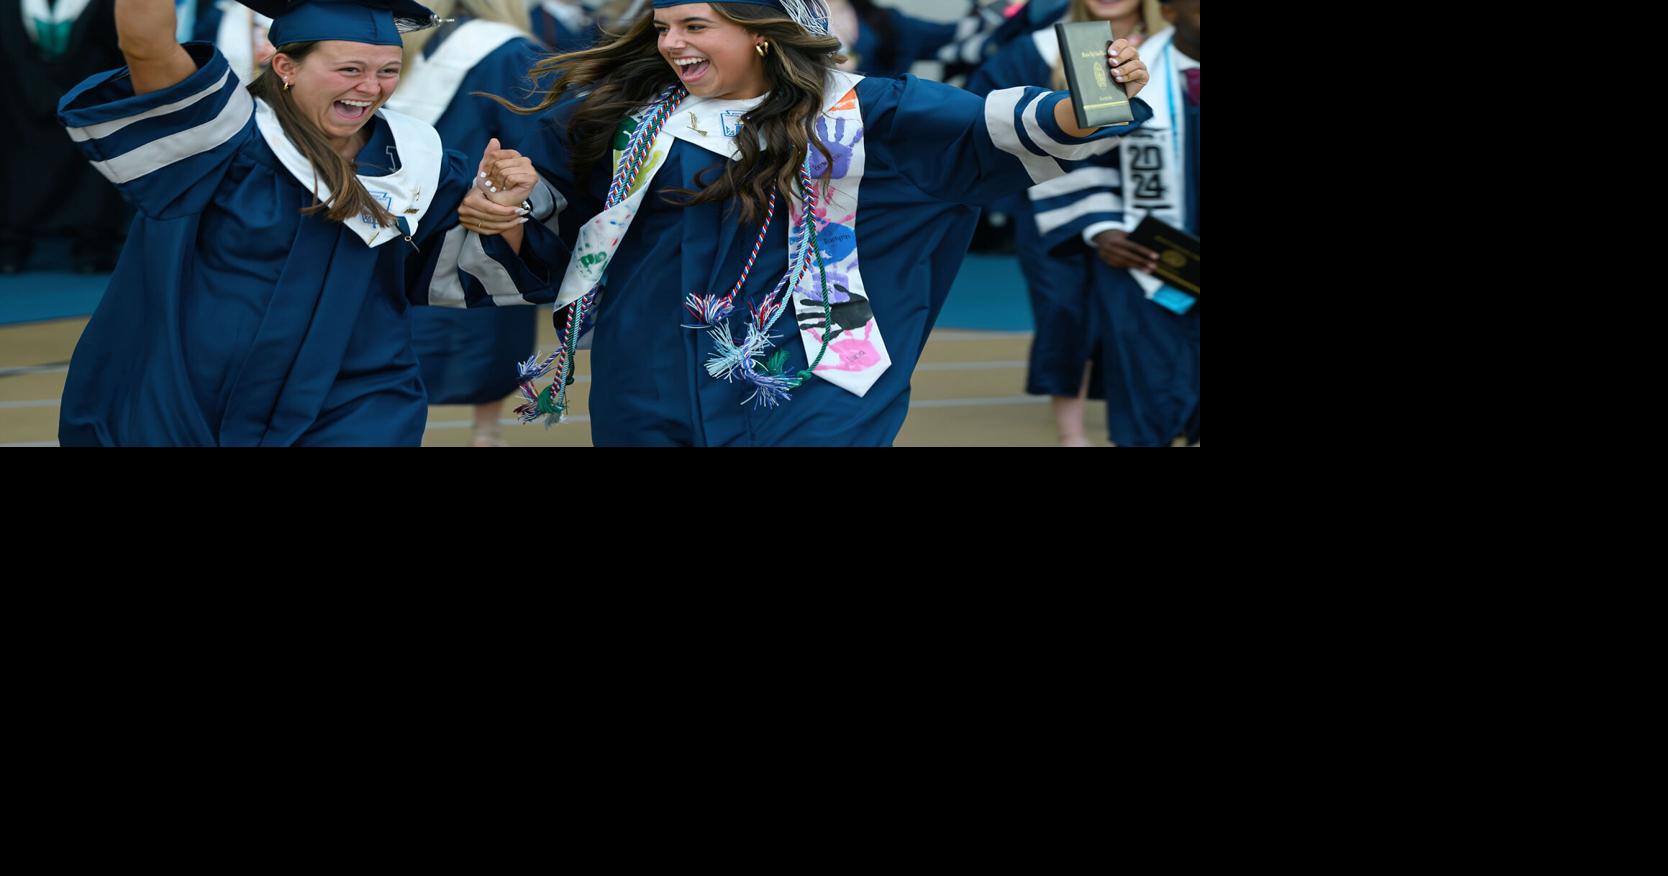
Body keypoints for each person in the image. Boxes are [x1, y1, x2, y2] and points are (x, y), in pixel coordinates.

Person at [448, 0, 1152, 446]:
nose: (670, 43)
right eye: (663, 27)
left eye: (695, 26)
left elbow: (986, 131)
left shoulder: (865, 111)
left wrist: (1093, 96)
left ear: (761, 33)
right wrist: (510, 207)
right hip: (648, 370)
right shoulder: (635, 123)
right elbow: (567, 230)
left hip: (807, 372)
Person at [55, 0, 540, 445]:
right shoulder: (218, 139)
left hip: (358, 397)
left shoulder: (415, 160)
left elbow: (476, 268)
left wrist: (502, 211)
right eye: (350, 69)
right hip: (198, 394)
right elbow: (145, 43)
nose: (371, 87)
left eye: (388, 71)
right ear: (285, 67)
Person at [967, 0, 1156, 445]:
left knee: (1149, 316)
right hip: (1053, 207)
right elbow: (982, 113)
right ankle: (1072, 434)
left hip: (1150, 207)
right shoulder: (1037, 49)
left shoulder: (1174, 47)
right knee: (1064, 312)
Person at [1035, 0, 1196, 446]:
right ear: (1170, 10)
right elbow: (1077, 154)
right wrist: (1101, 227)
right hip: (1147, 269)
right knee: (1147, 398)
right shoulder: (1122, 69)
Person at [391, 0, 550, 446]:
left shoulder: (397, 44)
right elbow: (534, 146)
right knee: (487, 321)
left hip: (406, 220)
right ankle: (487, 432)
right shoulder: (512, 52)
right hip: (480, 218)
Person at [0, 0, 127, 273]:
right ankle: (12, 245)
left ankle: (94, 246)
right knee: (18, 174)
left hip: (89, 103)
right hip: (21, 105)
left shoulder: (107, 5)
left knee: (93, 176)